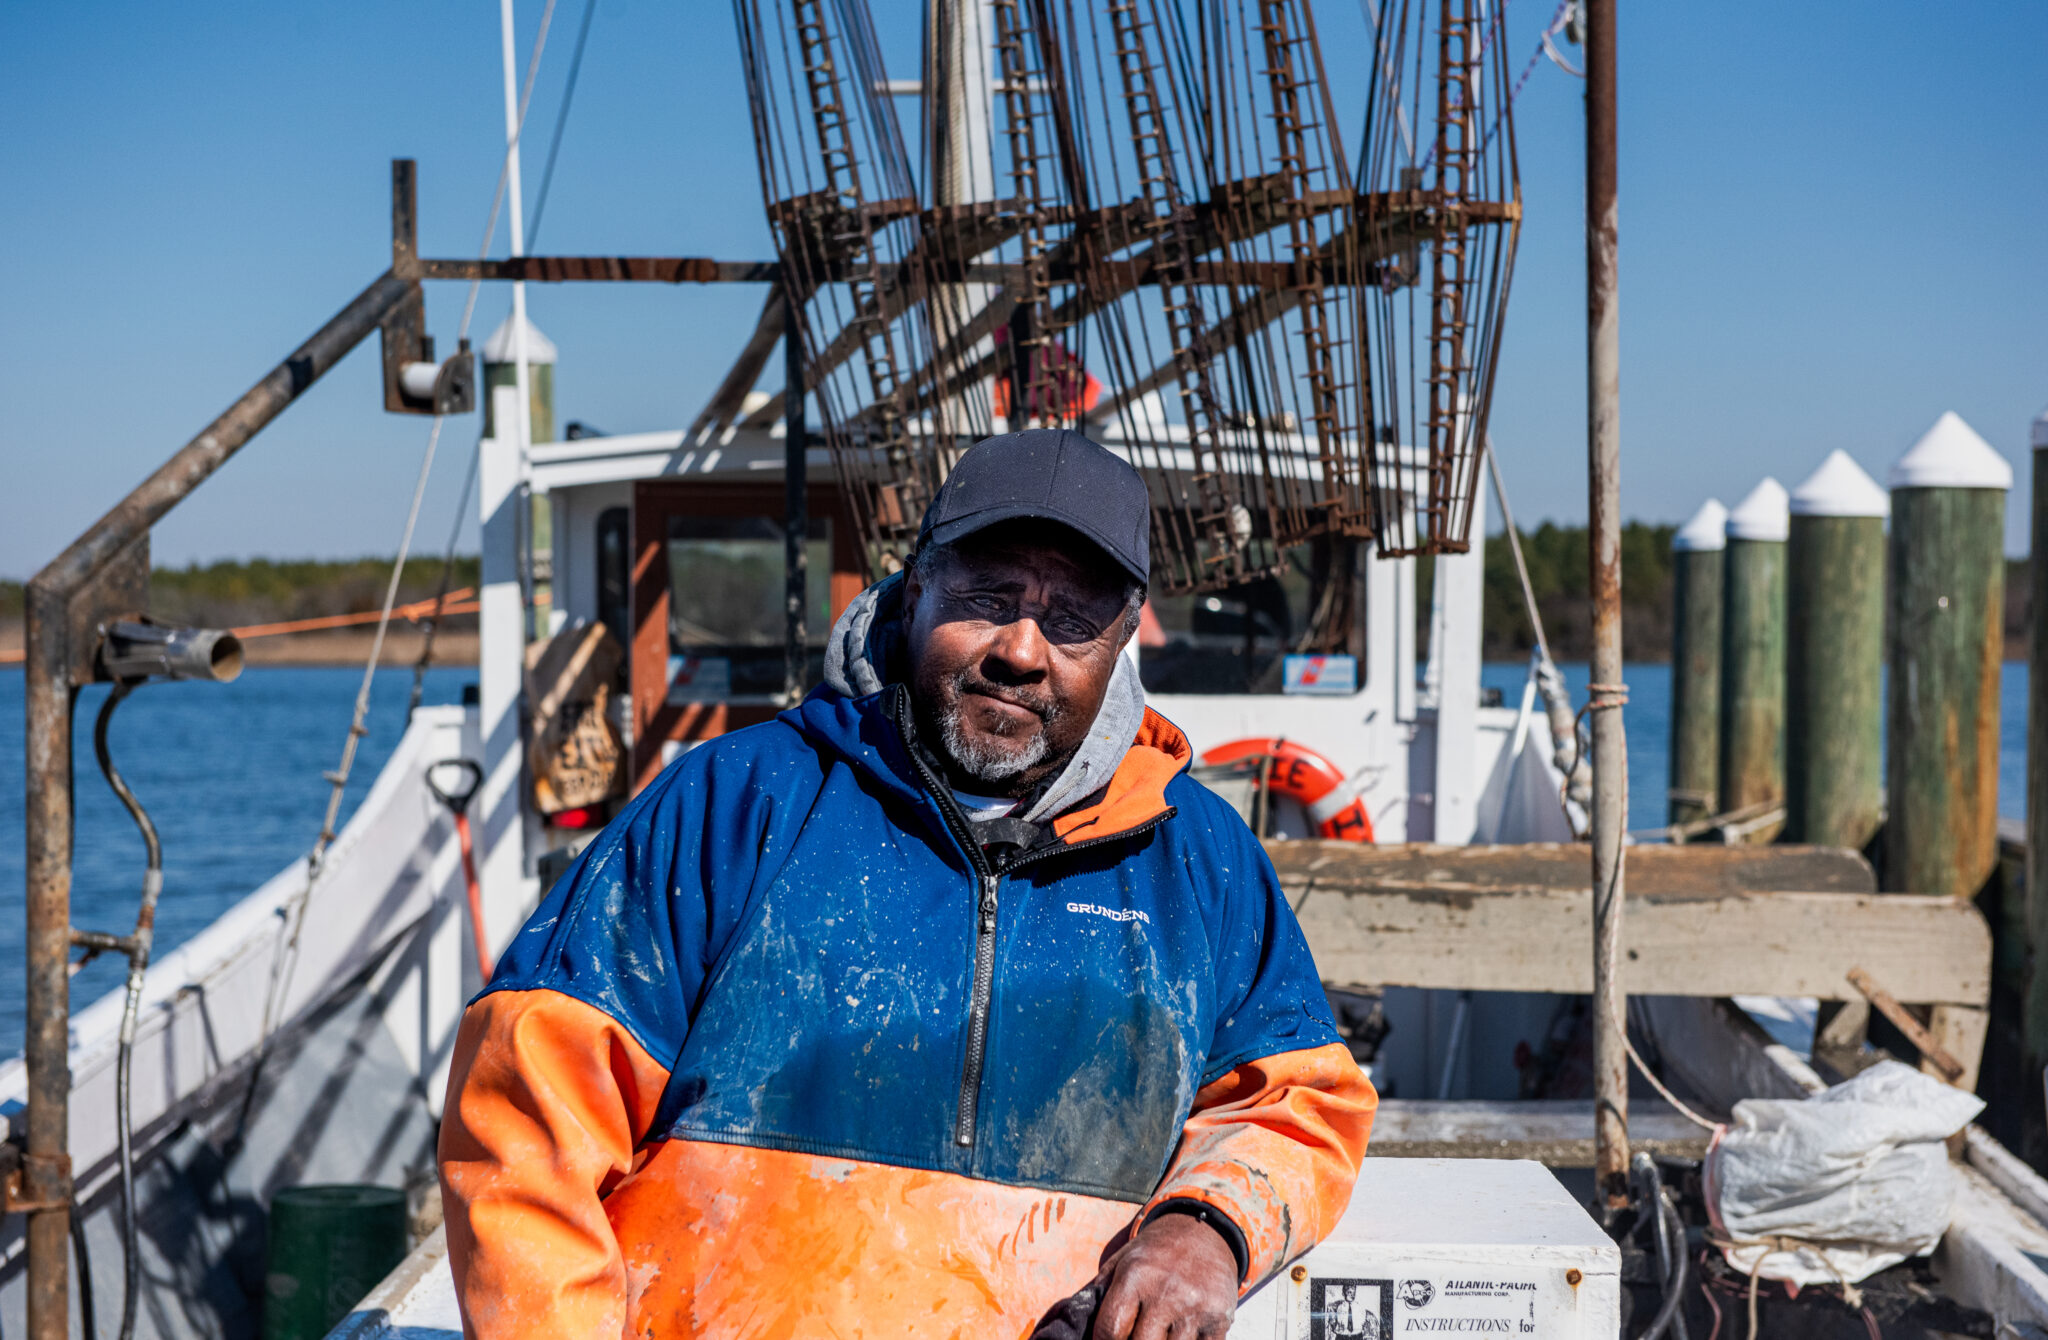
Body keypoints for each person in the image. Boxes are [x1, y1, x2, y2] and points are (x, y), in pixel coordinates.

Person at [438, 429, 1378, 1337]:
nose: (1021, 648)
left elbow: (1299, 1104)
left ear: (1125, 635)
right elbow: (528, 1132)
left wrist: (1203, 1228)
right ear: (916, 582)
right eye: (989, 594)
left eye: (1073, 620)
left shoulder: (1200, 860)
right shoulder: (730, 805)